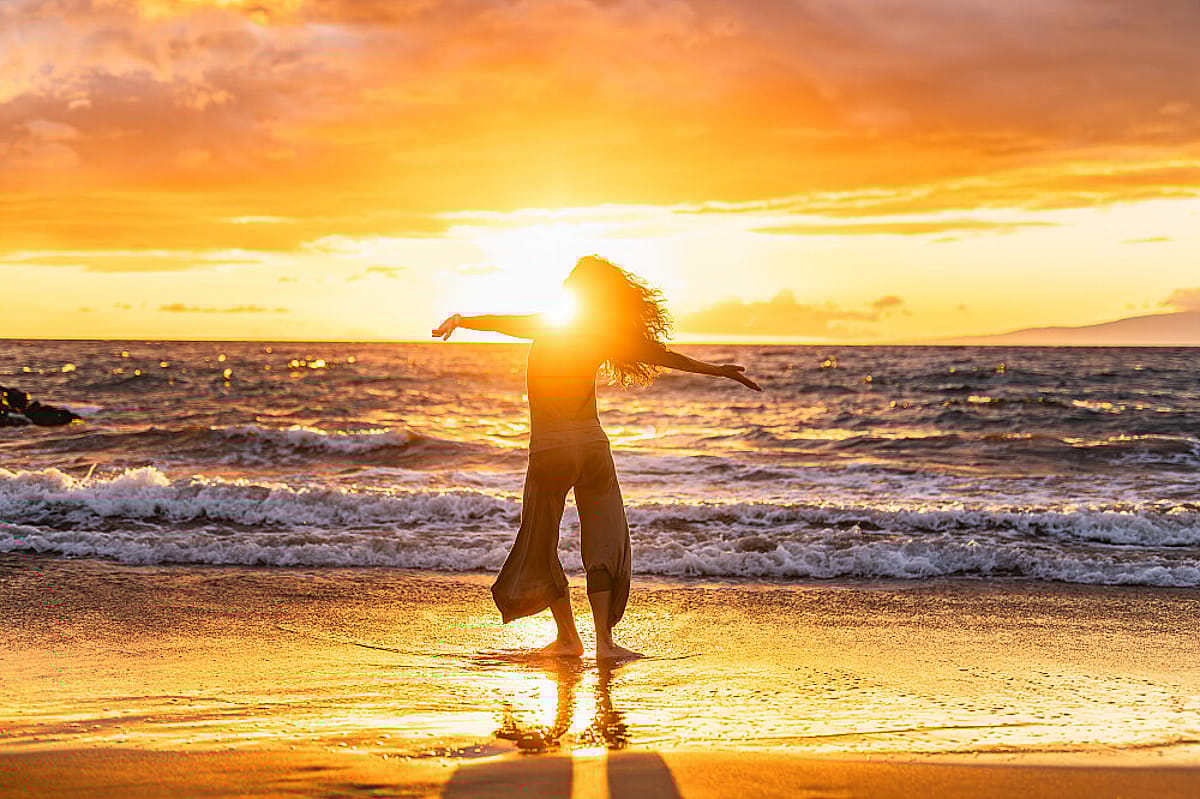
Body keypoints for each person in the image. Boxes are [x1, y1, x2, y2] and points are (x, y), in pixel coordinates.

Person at [433, 255, 760, 660]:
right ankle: (605, 643)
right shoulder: (606, 335)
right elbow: (667, 357)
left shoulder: (549, 323)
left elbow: (501, 321)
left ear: (576, 289)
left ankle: (568, 639)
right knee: (603, 540)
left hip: (551, 452)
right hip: (592, 450)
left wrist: (461, 319)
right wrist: (721, 370)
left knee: (540, 542)